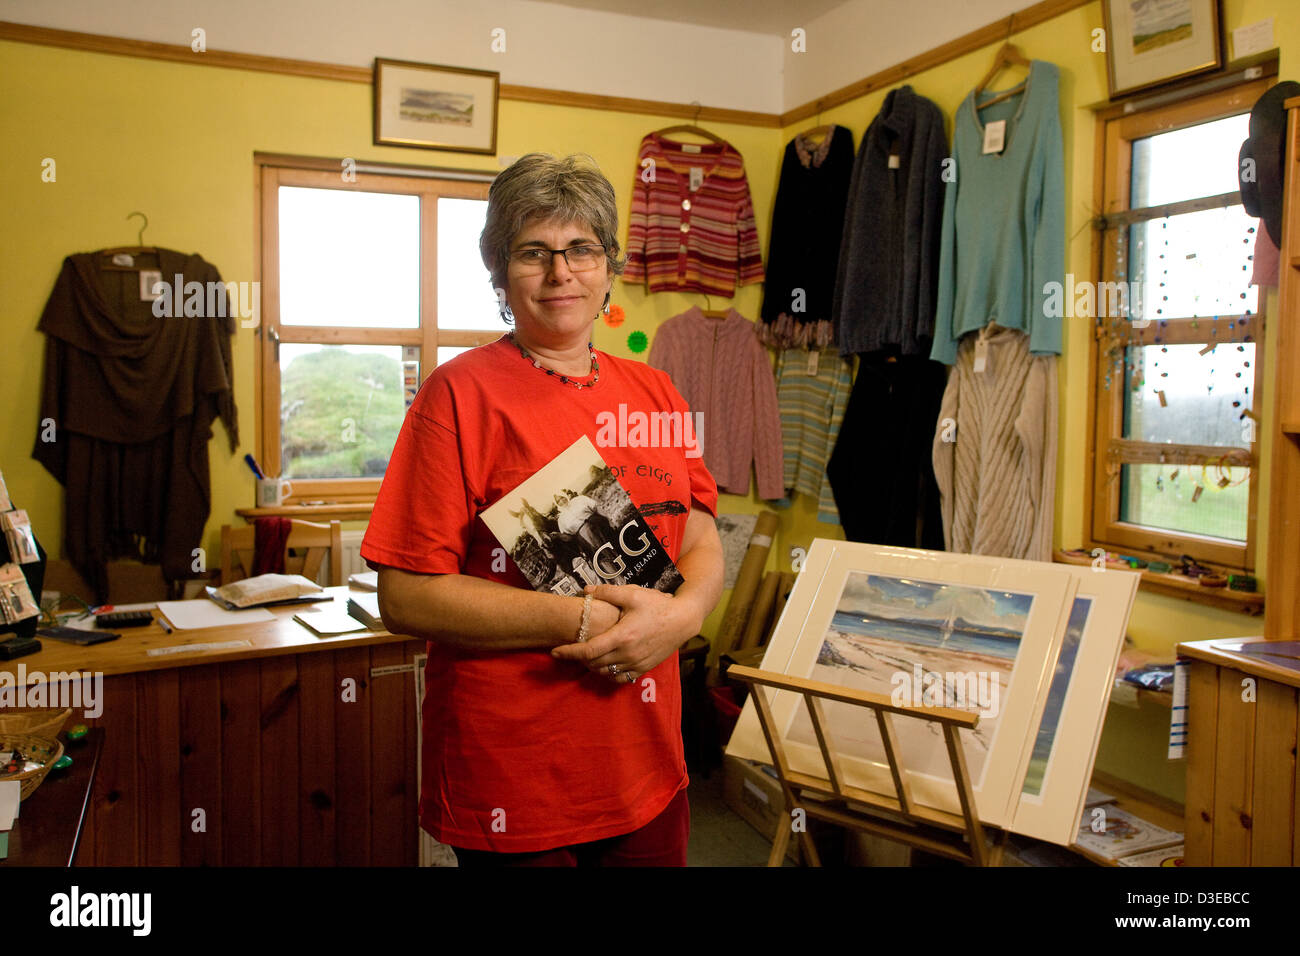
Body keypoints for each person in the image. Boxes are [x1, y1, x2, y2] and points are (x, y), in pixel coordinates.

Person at [360, 152, 725, 867]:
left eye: (581, 249)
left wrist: (684, 616)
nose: (562, 273)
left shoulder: (655, 390)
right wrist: (587, 621)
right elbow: (404, 595)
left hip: (647, 761)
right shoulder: (458, 394)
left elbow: (701, 532)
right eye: (534, 252)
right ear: (499, 272)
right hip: (517, 774)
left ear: (609, 266)